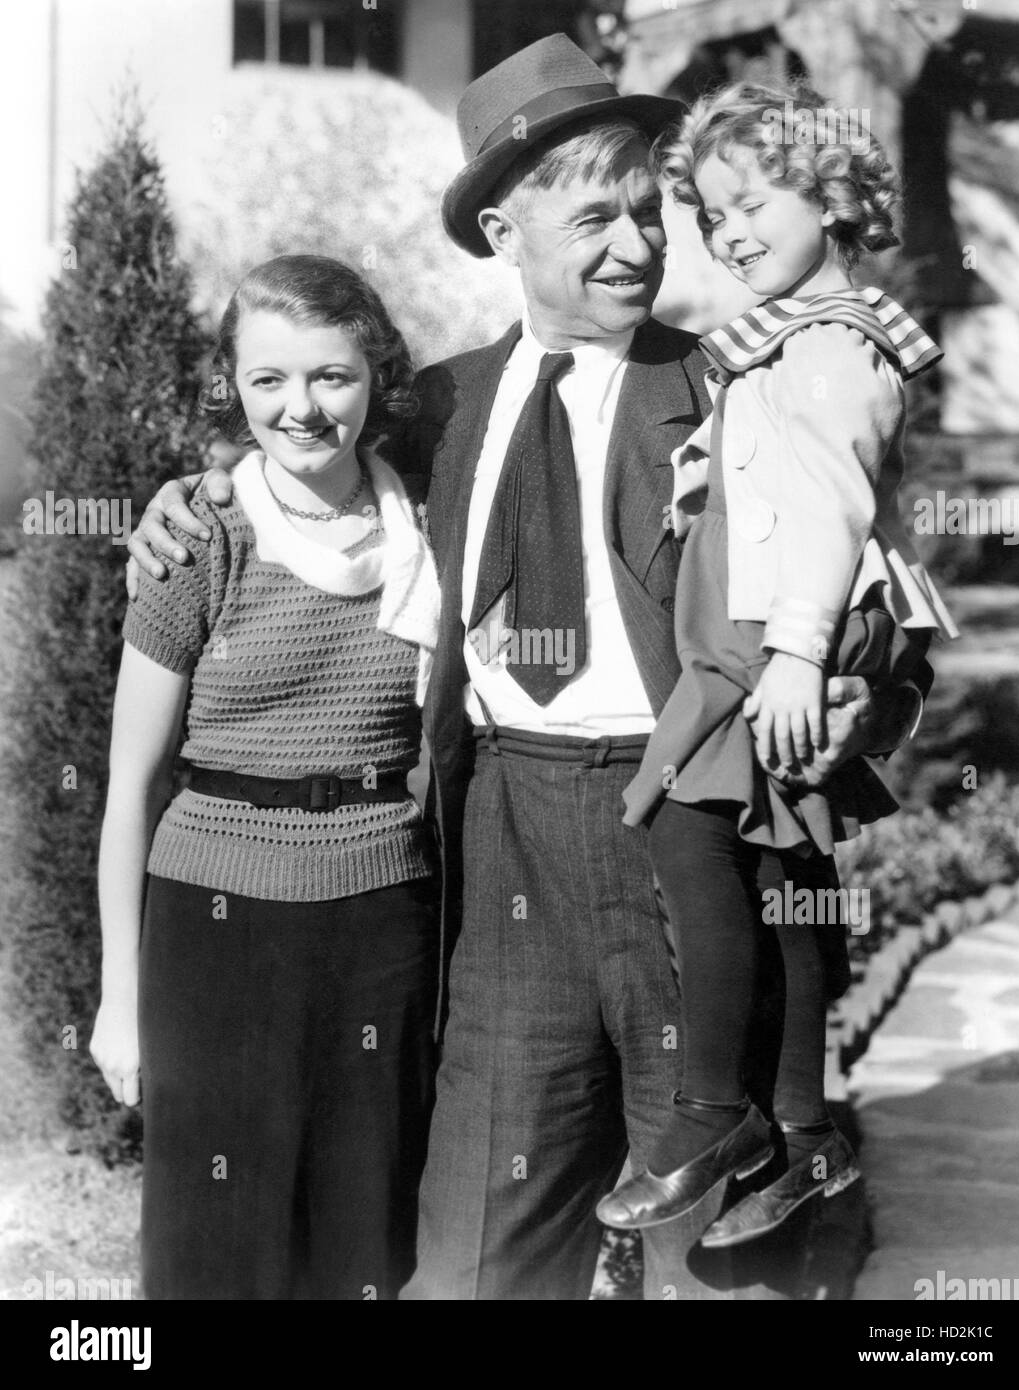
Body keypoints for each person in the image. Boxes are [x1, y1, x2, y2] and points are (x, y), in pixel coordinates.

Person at [126, 38, 931, 1300]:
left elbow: (876, 578)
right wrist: (179, 505)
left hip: (692, 837)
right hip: (505, 837)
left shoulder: (746, 379)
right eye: (592, 216)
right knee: (476, 1259)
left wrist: (857, 691)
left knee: (727, 1258)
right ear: (503, 228)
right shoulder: (436, 413)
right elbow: (295, 452)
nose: (635, 246)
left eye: (647, 212)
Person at [597, 82, 957, 1244]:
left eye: (753, 202)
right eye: (711, 213)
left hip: (771, 640)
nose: (729, 230)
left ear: (835, 196)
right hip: (764, 633)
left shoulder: (830, 345)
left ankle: (713, 1112)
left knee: (687, 831)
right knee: (784, 877)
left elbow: (829, 508)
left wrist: (798, 656)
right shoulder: (794, 339)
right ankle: (797, 1129)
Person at [91, 254, 441, 1300]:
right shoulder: (199, 539)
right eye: (269, 380)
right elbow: (127, 789)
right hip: (215, 925)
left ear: (375, 375)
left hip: (382, 920)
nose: (301, 408)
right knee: (217, 1240)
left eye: (330, 376)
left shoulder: (428, 533)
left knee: (361, 1230)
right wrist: (120, 1001)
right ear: (232, 390)